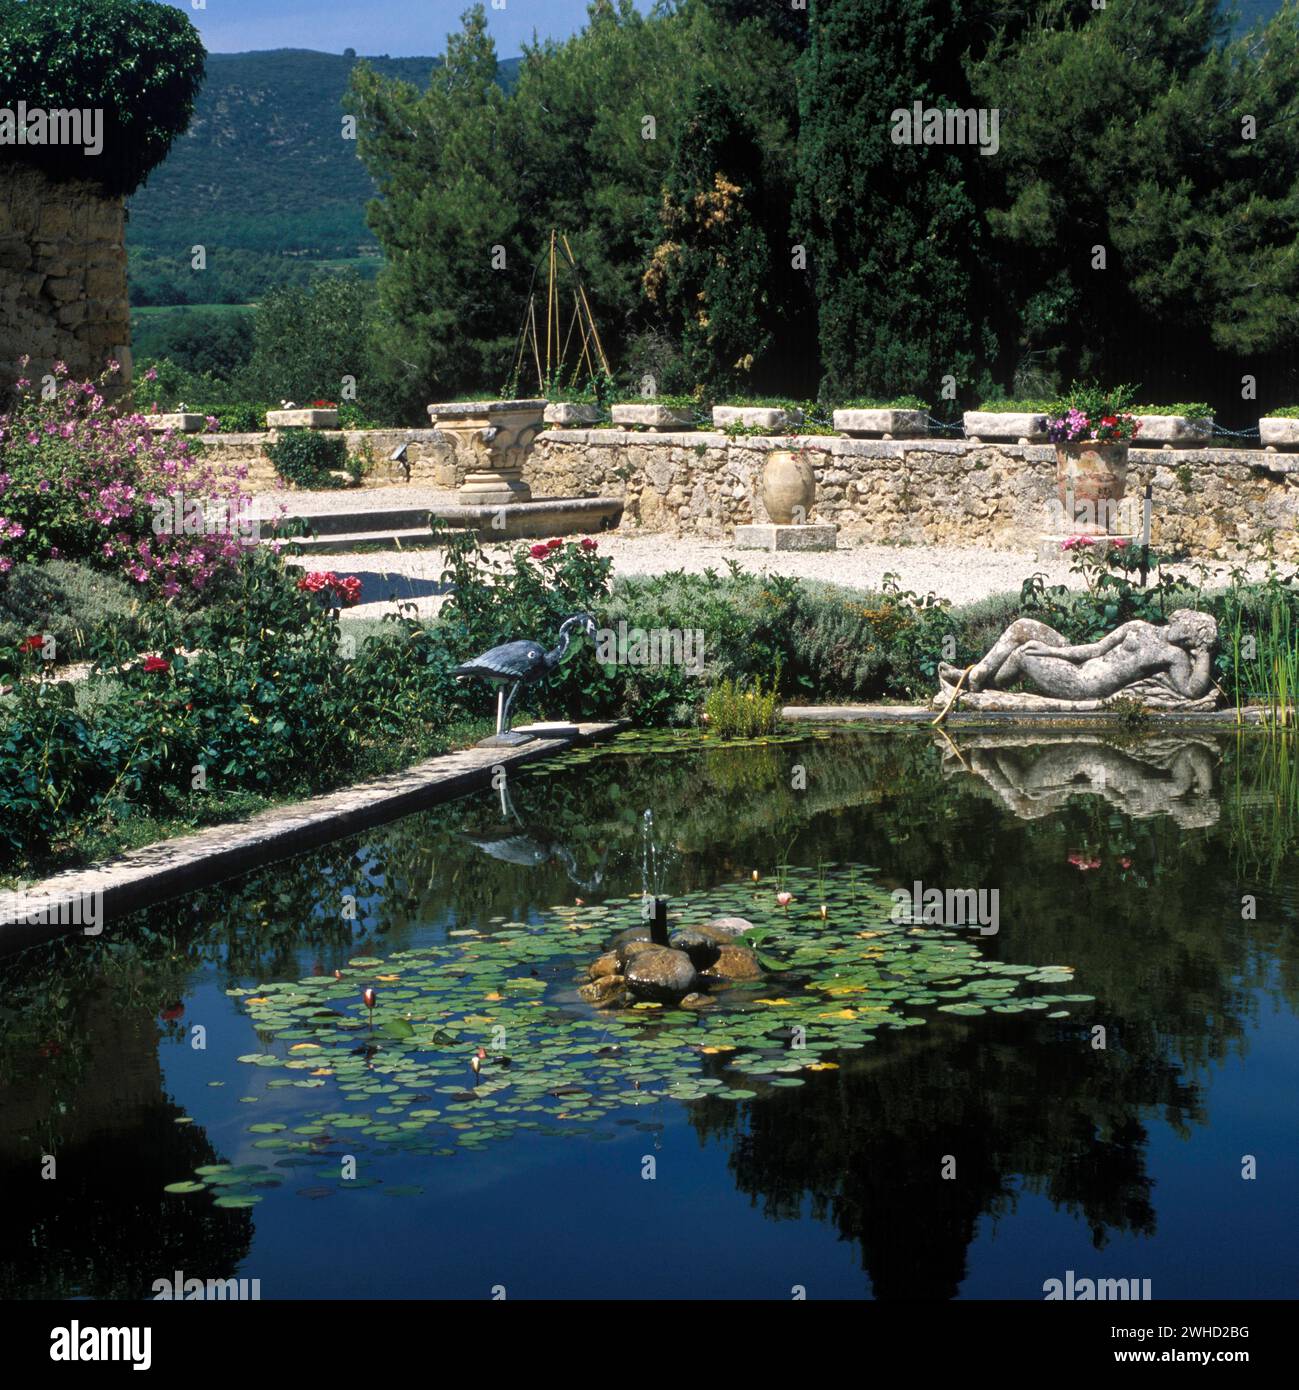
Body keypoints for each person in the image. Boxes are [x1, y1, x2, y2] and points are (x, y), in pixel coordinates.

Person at [937, 609, 1217, 703]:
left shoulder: (1173, 656)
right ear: (1183, 619)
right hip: (1080, 663)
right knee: (1022, 626)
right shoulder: (1139, 626)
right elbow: (1096, 649)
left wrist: (1204, 654)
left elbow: (1192, 690)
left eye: (1194, 637)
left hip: (1083, 684)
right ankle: (977, 674)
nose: (1189, 636)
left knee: (1024, 654)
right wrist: (1054, 650)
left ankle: (970, 680)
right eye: (1192, 629)